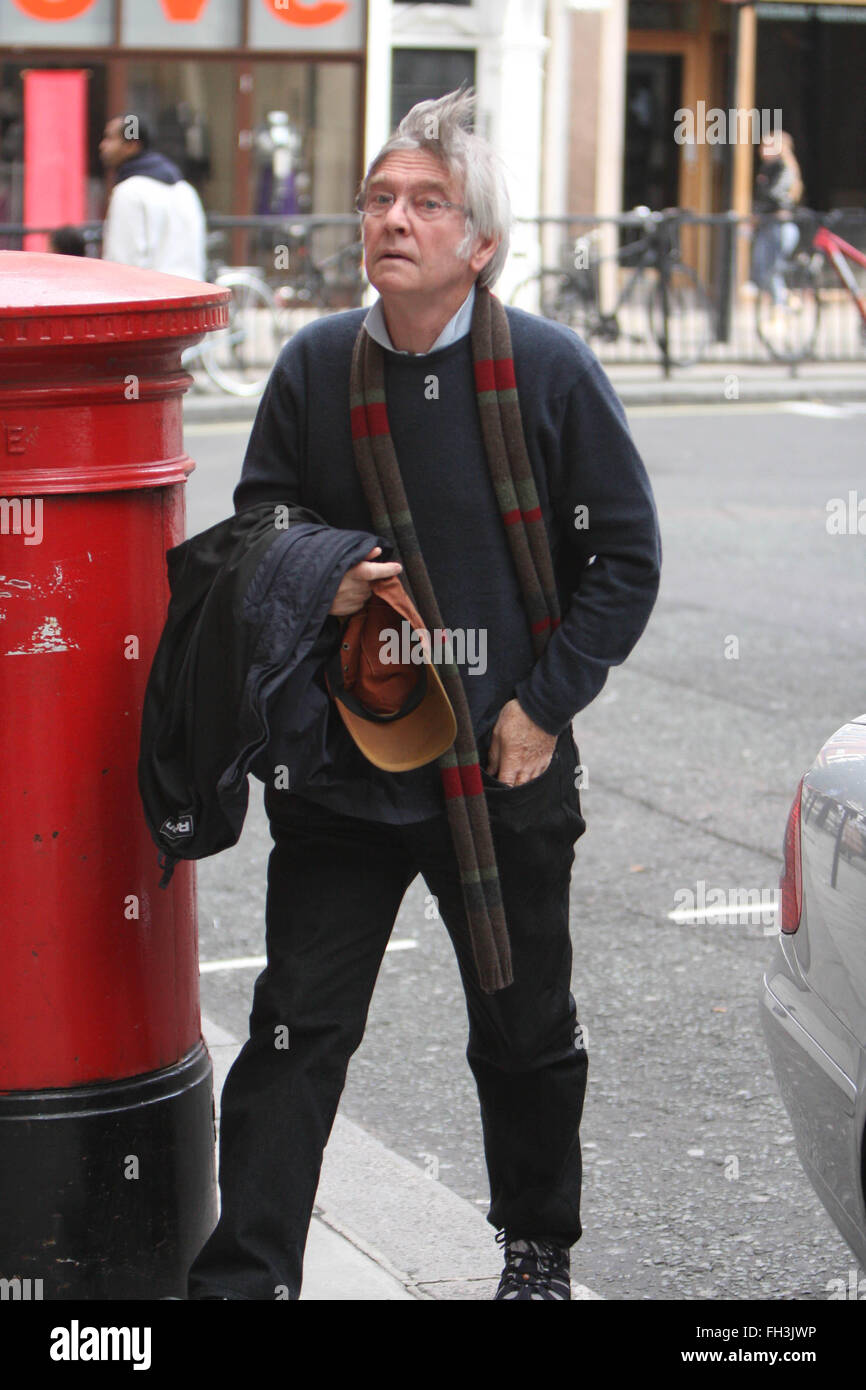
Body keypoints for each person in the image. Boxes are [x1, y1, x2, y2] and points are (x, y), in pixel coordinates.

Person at [185, 87, 662, 1302]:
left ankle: (535, 1252)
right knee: (294, 1033)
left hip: (498, 769)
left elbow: (624, 559)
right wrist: (324, 575)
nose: (393, 218)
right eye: (379, 199)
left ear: (479, 243)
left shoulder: (547, 372)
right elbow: (257, 527)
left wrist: (542, 708)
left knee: (523, 1033)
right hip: (346, 769)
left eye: (426, 202)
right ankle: (248, 1281)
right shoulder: (311, 366)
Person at [99, 113, 206, 280]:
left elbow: (122, 263)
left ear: (131, 145)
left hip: (153, 299)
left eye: (109, 138)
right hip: (192, 295)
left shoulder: (129, 192)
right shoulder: (185, 189)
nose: (103, 146)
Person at [751, 128, 803, 306]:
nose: (764, 150)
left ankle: (781, 307)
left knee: (772, 270)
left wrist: (764, 206)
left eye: (770, 146)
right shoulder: (767, 169)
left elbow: (777, 196)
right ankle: (786, 301)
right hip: (768, 225)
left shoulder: (784, 168)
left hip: (780, 227)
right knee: (762, 271)